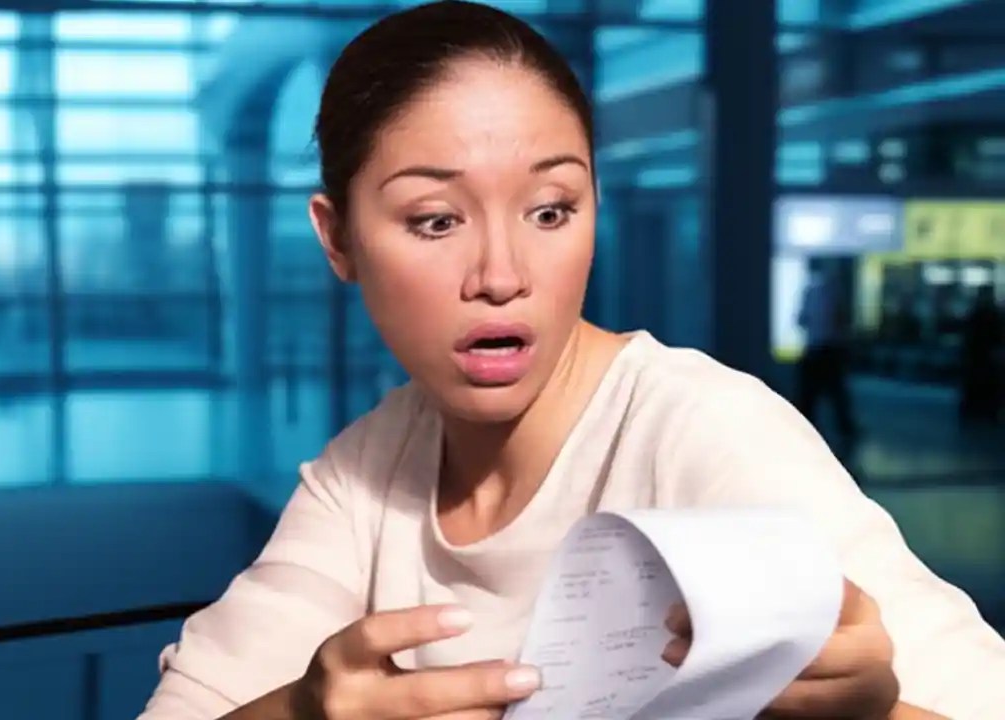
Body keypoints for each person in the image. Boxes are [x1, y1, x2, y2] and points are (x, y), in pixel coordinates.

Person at [140, 3, 1005, 719]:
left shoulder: (703, 430)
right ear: (338, 238)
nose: (503, 276)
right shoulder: (365, 470)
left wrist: (879, 713)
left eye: (551, 210)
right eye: (436, 220)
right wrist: (299, 713)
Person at [795, 258, 859, 445]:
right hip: (830, 349)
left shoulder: (809, 291)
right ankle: (845, 429)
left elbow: (801, 319)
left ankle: (803, 428)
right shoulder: (833, 291)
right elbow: (842, 319)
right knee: (836, 393)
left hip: (815, 348)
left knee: (810, 395)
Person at [959, 285, 1003, 424]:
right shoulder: (992, 315)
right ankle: (984, 411)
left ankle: (977, 411)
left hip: (978, 358)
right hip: (983, 358)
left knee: (979, 385)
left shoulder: (976, 314)